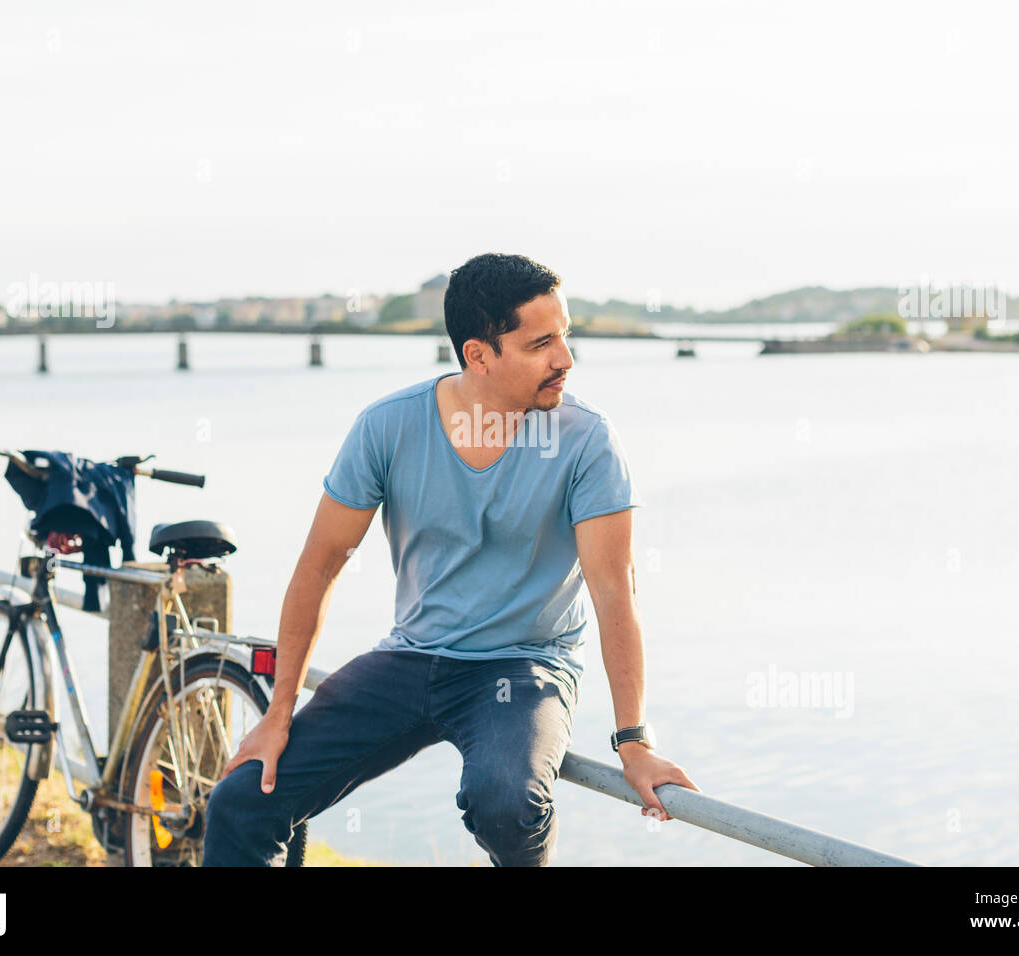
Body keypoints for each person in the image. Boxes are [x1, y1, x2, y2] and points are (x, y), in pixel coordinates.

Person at [202, 252, 699, 866]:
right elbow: (320, 564)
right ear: (478, 355)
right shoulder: (389, 427)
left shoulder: (586, 440)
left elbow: (613, 589)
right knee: (243, 801)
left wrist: (633, 741)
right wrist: (279, 713)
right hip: (409, 657)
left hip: (522, 667)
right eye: (541, 343)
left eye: (566, 337)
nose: (565, 359)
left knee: (504, 802)